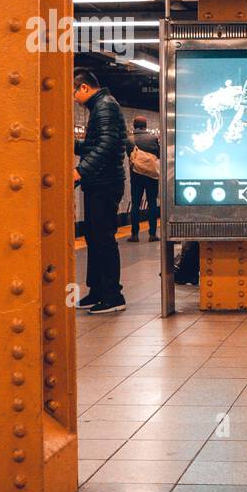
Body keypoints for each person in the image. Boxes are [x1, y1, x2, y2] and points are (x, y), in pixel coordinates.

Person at [73, 68, 128, 313]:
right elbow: (97, 144)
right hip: (99, 182)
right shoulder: (101, 106)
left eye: (74, 92)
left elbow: (107, 145)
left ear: (84, 87)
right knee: (94, 238)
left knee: (103, 239)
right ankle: (96, 291)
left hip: (105, 183)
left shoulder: (104, 106)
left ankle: (112, 295)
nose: (74, 98)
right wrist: (73, 143)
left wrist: (80, 171)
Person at [126, 115, 160, 242]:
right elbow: (158, 155)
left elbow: (130, 157)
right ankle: (152, 234)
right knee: (152, 204)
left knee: (135, 205)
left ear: (134, 126)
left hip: (136, 176)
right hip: (151, 176)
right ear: (146, 126)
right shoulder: (153, 138)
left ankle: (134, 234)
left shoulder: (130, 140)